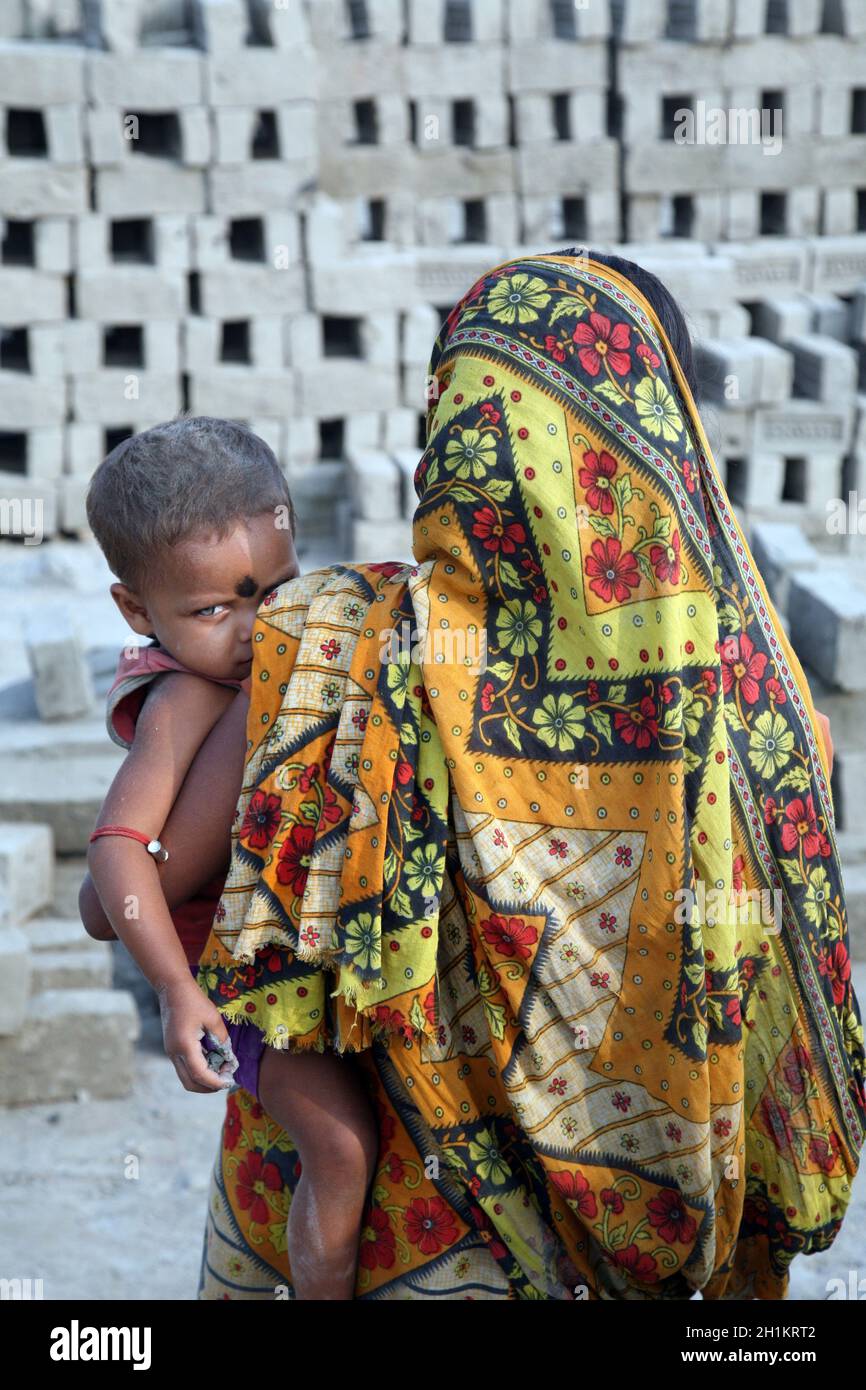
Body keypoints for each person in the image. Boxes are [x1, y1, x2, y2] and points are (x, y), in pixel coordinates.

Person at [87, 253, 865, 1300]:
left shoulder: (337, 658)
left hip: (431, 1245)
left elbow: (121, 892)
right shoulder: (774, 716)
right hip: (686, 1241)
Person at [78, 416, 379, 1301]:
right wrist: (177, 991)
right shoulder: (185, 695)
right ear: (138, 611)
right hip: (237, 979)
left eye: (272, 591)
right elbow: (115, 852)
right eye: (214, 610)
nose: (253, 629)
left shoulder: (289, 653)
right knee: (340, 1143)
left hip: (296, 953)